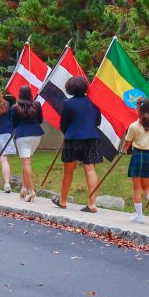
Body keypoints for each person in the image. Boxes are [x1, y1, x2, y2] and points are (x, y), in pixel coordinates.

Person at [56, 75, 103, 212]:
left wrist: (67, 133)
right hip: (91, 138)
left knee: (68, 171)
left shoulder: (67, 104)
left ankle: (63, 201)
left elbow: (63, 124)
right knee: (90, 169)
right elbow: (98, 122)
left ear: (70, 88)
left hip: (73, 138)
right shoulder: (93, 103)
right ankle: (92, 203)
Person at [122, 98, 149, 223]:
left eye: (136, 106)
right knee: (146, 186)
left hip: (138, 155)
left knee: (136, 188)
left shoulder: (134, 126)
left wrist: (123, 151)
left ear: (139, 109)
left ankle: (139, 216)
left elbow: (127, 143)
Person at [11, 86, 44, 202]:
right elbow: (40, 120)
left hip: (22, 136)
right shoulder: (37, 105)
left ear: (19, 94)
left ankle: (31, 191)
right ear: (30, 94)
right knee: (27, 162)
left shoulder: (15, 107)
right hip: (36, 135)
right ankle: (24, 189)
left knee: (26, 162)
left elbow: (13, 123)